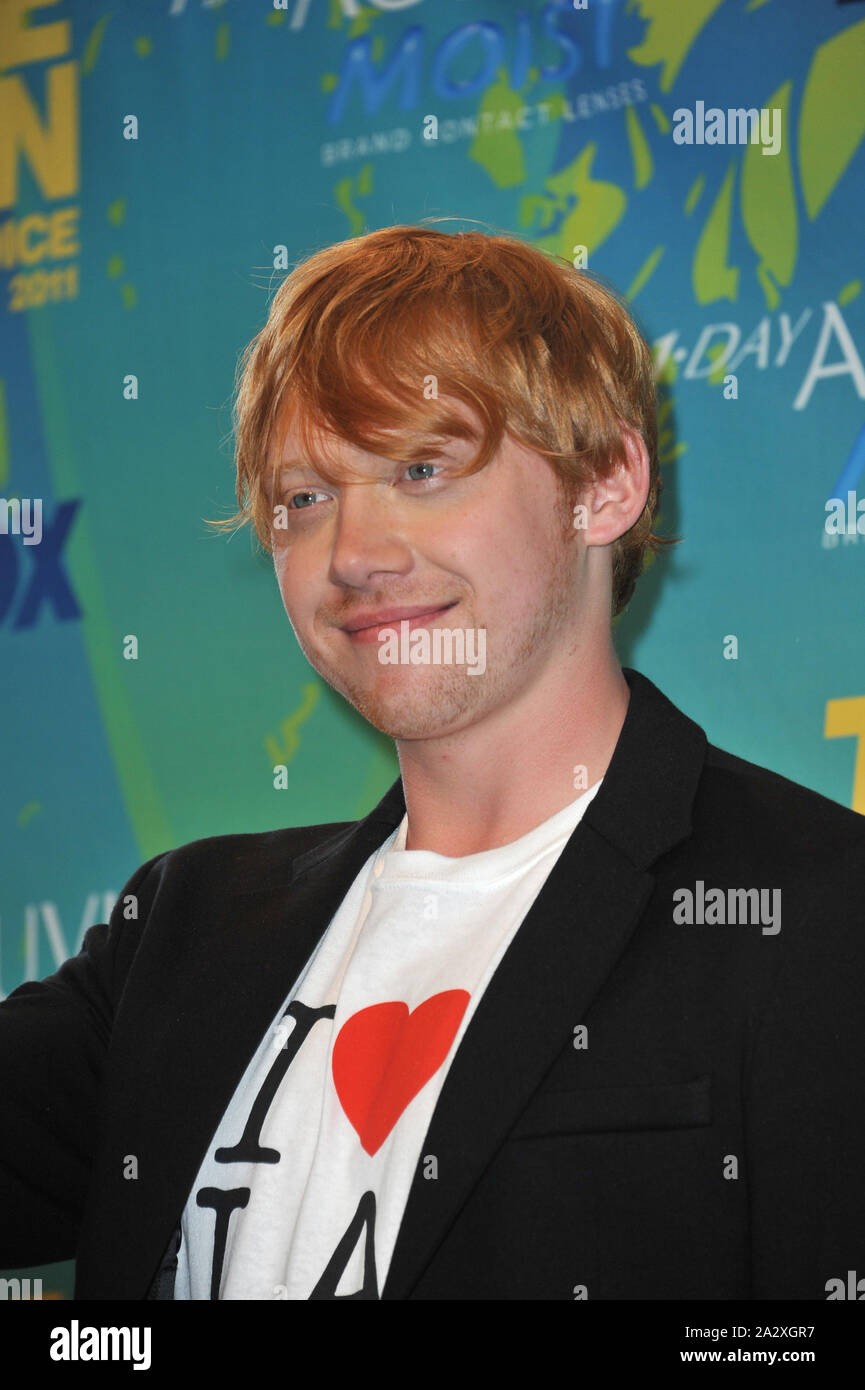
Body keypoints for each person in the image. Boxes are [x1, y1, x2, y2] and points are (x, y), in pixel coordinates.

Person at [2, 225, 863, 1301]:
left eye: (421, 467)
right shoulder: (179, 930)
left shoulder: (818, 912)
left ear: (604, 484)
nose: (355, 553)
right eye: (304, 497)